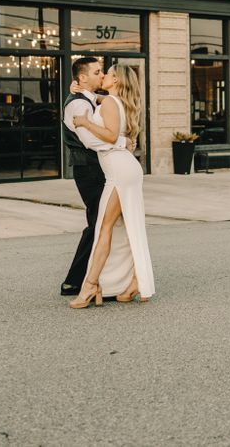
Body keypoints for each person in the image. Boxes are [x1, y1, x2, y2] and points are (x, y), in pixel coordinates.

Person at [68, 64, 155, 308]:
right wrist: (79, 89)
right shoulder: (114, 101)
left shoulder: (109, 103)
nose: (103, 75)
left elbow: (109, 135)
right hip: (123, 169)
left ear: (115, 80)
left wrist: (84, 122)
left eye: (107, 73)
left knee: (104, 228)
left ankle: (90, 286)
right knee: (128, 229)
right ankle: (134, 282)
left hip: (119, 172)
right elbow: (97, 100)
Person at [61, 57, 135, 297]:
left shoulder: (91, 99)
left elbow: (100, 101)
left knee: (104, 223)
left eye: (103, 71)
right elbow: (90, 140)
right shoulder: (76, 105)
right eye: (97, 72)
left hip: (103, 167)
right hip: (89, 169)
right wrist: (123, 142)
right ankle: (75, 281)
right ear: (82, 77)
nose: (101, 75)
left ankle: (104, 280)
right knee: (98, 223)